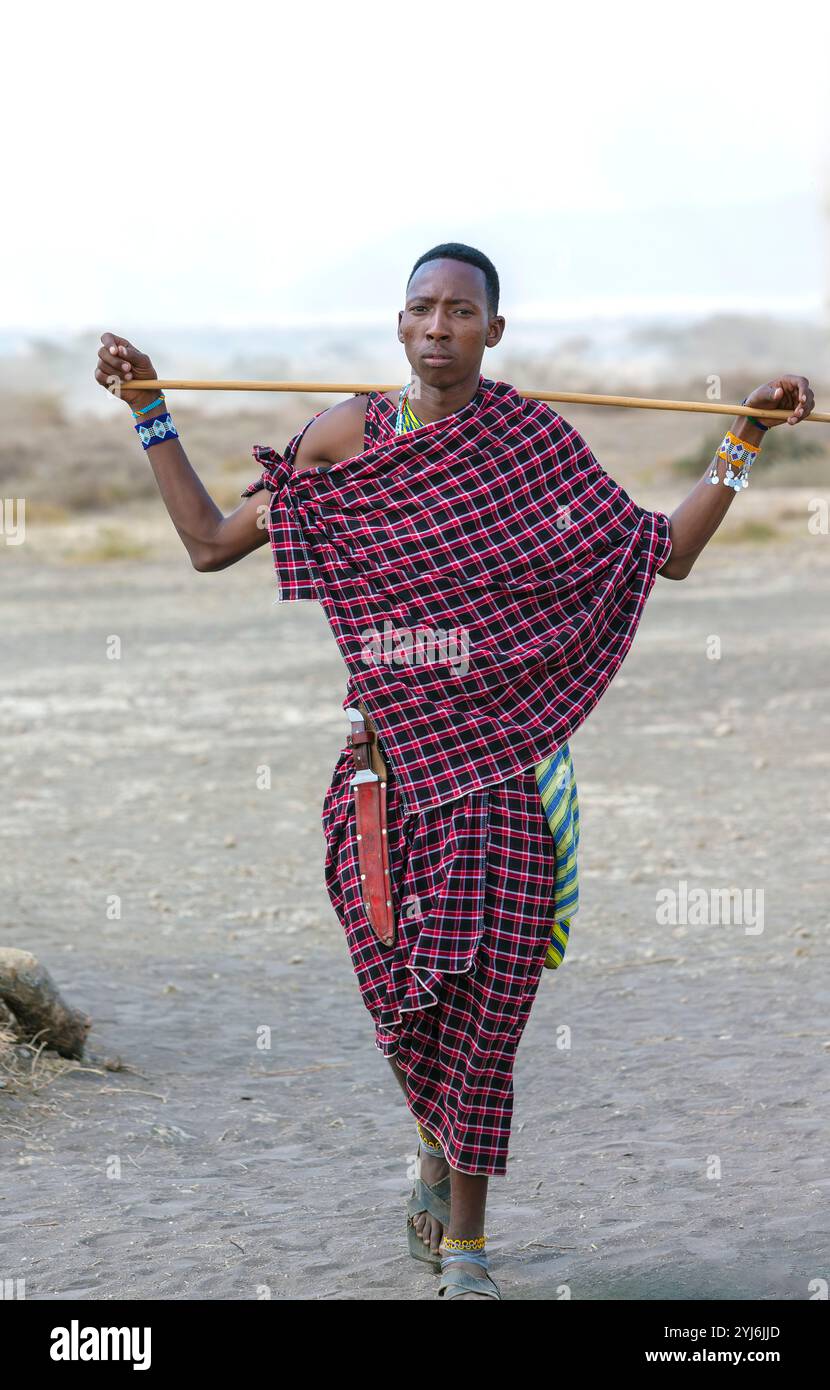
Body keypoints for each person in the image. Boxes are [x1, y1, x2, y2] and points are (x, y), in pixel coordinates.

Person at [94, 242, 814, 1299]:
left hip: (500, 779)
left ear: (493, 331)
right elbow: (208, 544)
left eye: (461, 312)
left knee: (487, 1012)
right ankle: (434, 1139)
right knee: (400, 1004)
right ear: (398, 326)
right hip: (382, 782)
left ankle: (467, 1251)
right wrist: (148, 409)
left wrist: (741, 435)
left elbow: (660, 552)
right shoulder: (343, 436)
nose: (440, 327)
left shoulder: (530, 443)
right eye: (422, 309)